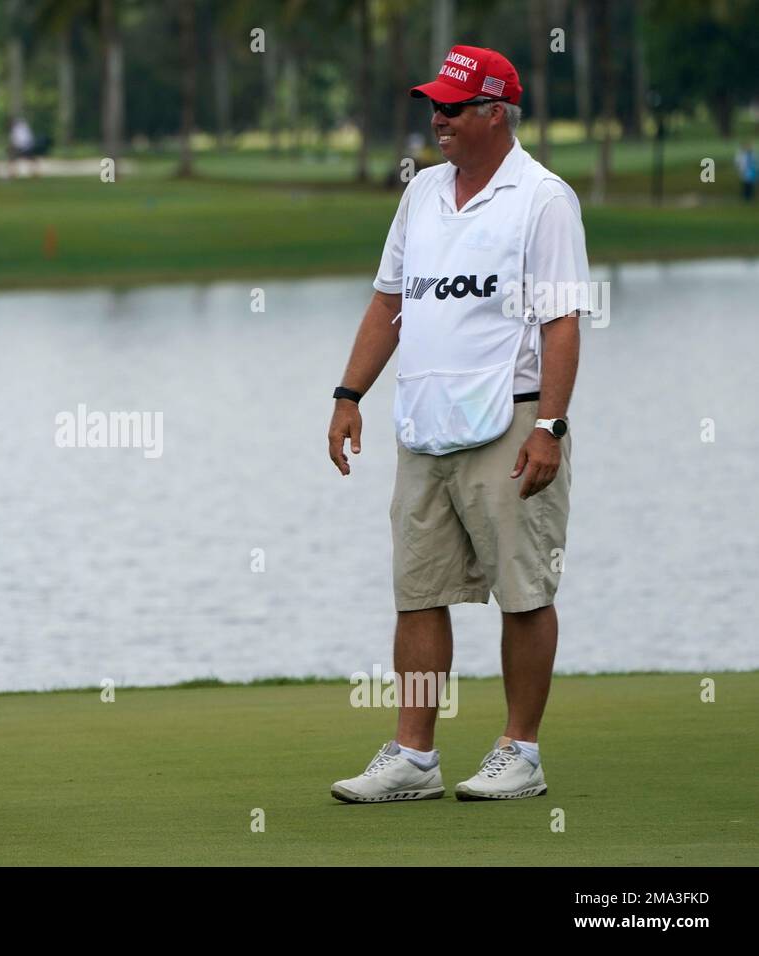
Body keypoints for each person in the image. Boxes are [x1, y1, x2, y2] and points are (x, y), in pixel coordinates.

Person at [327, 45, 587, 803]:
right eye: (433, 106)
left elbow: (564, 322)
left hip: (515, 421)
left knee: (524, 590)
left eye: (453, 107)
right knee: (418, 591)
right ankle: (414, 757)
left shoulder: (543, 199)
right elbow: (388, 303)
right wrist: (349, 394)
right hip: (424, 423)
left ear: (495, 114)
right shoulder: (422, 194)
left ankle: (521, 753)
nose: (436, 120)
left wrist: (553, 428)